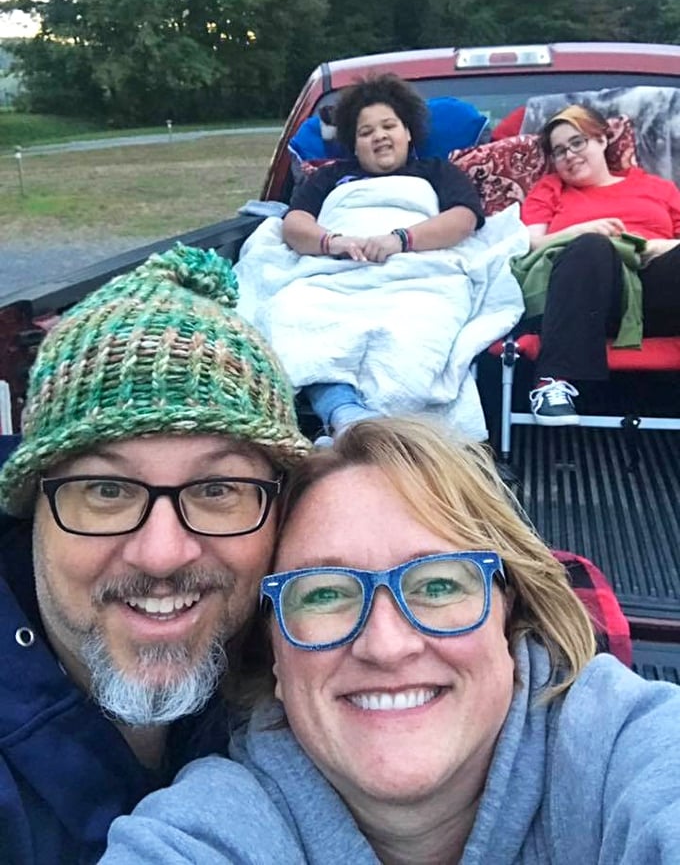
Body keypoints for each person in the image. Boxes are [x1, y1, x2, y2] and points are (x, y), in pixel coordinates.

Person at [102, 417, 680, 864]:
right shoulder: (211, 829)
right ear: (273, 652)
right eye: (324, 594)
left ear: (510, 615)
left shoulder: (621, 749)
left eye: (436, 584)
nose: (386, 645)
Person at [0, 243, 309, 864]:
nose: (163, 554)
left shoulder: (320, 646)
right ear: (34, 508)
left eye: (218, 489)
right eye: (107, 491)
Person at [248, 72, 521, 443]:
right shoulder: (331, 178)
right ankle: (351, 421)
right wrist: (334, 242)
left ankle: (354, 426)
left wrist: (401, 239)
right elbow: (294, 225)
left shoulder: (437, 172)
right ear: (354, 145)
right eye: (365, 132)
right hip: (333, 272)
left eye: (388, 126)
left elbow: (463, 219)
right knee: (290, 315)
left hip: (421, 272)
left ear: (408, 132)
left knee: (416, 333)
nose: (379, 136)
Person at [517, 103, 680, 425]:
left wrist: (653, 247)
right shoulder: (550, 189)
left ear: (602, 140)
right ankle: (553, 382)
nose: (569, 155)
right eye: (559, 151)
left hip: (658, 291)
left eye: (578, 142)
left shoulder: (656, 187)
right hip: (591, 300)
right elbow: (527, 243)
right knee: (591, 247)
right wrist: (579, 231)